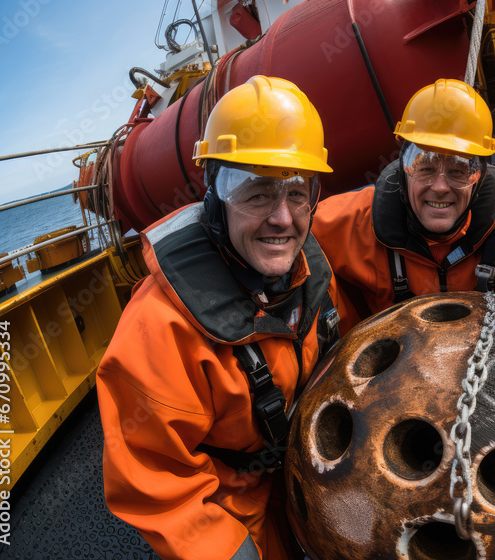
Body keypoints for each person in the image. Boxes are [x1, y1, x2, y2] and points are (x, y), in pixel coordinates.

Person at [97, 75, 349, 560]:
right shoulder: (157, 330)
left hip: (316, 465)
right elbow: (153, 477)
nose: (282, 217)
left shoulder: (310, 270)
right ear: (215, 195)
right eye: (255, 192)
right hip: (232, 502)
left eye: (299, 192)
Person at [312, 78, 495, 326]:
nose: (441, 187)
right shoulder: (350, 224)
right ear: (403, 169)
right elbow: (296, 239)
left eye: (459, 171)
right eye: (425, 168)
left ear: (479, 177)